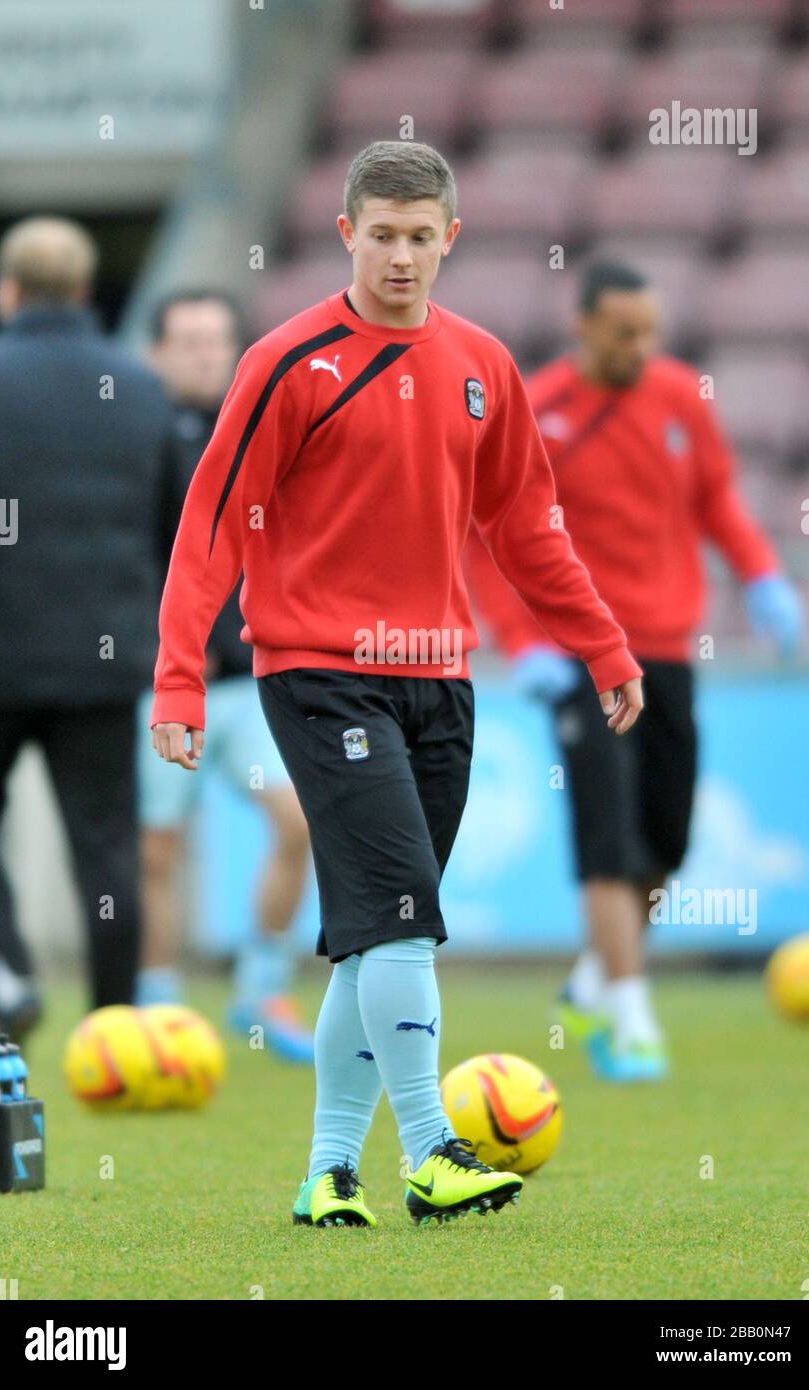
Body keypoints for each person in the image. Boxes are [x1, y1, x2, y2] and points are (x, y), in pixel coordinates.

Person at [150, 142, 643, 1229]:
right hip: (319, 677)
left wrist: (602, 644)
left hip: (440, 681)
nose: (402, 257)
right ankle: (429, 1148)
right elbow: (211, 525)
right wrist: (179, 680)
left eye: (422, 237)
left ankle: (328, 1173)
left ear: (449, 239)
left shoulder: (484, 366)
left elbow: (528, 527)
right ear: (346, 234)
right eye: (382, 235)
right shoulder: (288, 361)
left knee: (376, 936)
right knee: (407, 922)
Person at [464, 260, 804, 1084]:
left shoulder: (682, 395)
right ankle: (631, 1012)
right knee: (609, 837)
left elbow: (716, 497)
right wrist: (525, 640)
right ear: (583, 325)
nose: (641, 347)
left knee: (667, 843)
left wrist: (761, 573)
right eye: (626, 333)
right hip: (582, 654)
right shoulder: (539, 413)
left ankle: (589, 983)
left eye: (650, 332)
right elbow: (488, 535)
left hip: (668, 650)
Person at [0, 216, 176, 1037]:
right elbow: (171, 528)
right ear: (87, 293)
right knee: (105, 847)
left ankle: (6, 965)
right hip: (106, 657)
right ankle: (117, 1027)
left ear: (7, 292)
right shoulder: (140, 385)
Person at [137, 290, 313, 1062]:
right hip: (159, 683)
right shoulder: (132, 438)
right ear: (157, 353)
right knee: (155, 851)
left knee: (298, 822)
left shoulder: (263, 428)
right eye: (190, 340)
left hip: (247, 682)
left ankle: (260, 990)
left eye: (219, 339)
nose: (207, 353)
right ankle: (157, 1008)